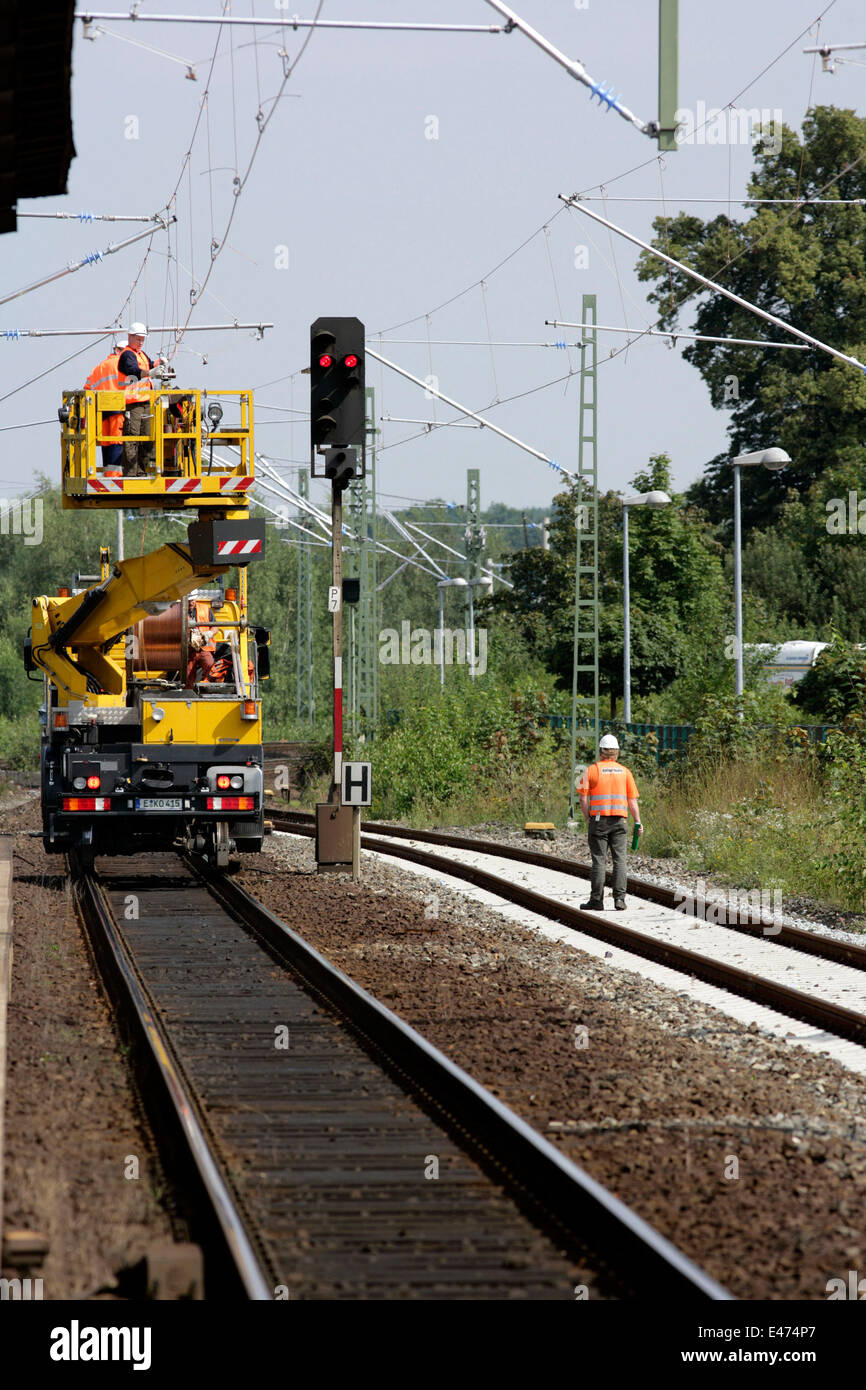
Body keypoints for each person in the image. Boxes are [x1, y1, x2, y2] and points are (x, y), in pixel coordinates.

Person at [576, 733, 642, 911]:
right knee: (620, 860)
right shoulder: (625, 772)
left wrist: (587, 817)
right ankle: (619, 899)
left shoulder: (592, 770)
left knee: (599, 861)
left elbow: (583, 798)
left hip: (598, 821)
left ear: (600, 752)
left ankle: (597, 900)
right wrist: (637, 822)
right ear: (617, 753)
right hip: (620, 821)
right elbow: (632, 801)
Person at [118, 323, 167, 476]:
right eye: (138, 339)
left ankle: (141, 471)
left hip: (145, 402)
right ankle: (131, 473)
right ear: (130, 337)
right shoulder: (127, 355)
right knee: (132, 437)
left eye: (142, 340)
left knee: (147, 437)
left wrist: (158, 363)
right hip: (133, 404)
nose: (140, 342)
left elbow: (148, 365)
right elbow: (133, 370)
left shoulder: (141, 354)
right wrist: (151, 372)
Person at [84, 340, 126, 471]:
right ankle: (114, 475)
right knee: (116, 441)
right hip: (119, 409)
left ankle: (109, 473)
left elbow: (87, 388)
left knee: (106, 442)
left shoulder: (99, 367)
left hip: (101, 411)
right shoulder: (123, 365)